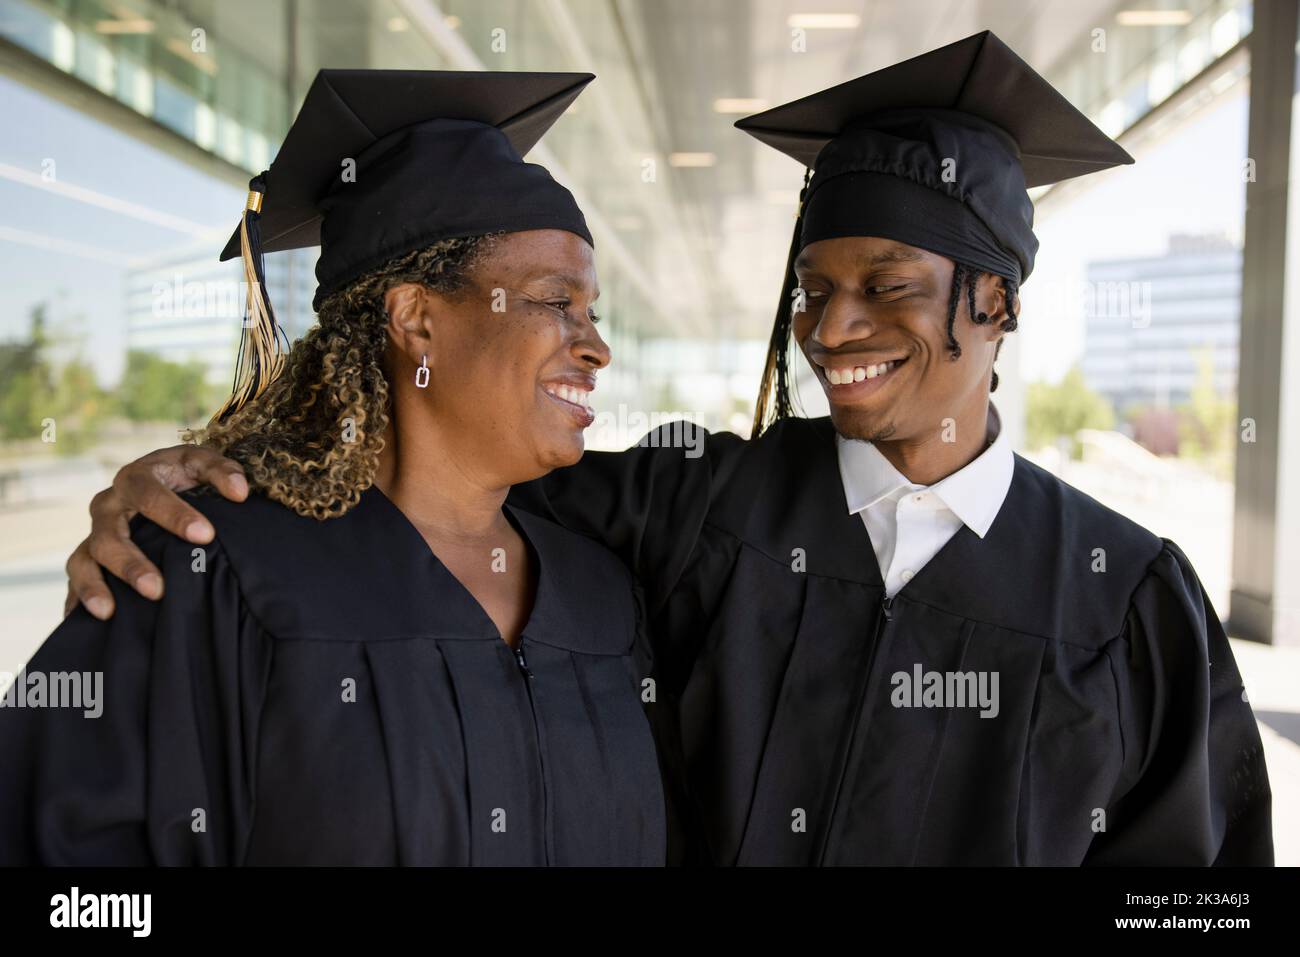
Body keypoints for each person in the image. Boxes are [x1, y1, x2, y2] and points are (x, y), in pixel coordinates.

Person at [62, 33, 1272, 865]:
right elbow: (435, 479)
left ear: (993, 303)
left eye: (888, 284)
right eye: (812, 290)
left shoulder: (1127, 600)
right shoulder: (688, 511)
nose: (831, 329)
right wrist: (192, 476)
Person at [1, 69, 667, 865]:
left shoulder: (602, 594)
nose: (596, 346)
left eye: (593, 312)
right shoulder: (215, 571)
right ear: (417, 318)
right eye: (556, 302)